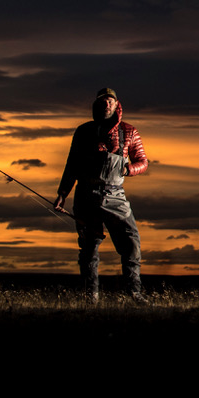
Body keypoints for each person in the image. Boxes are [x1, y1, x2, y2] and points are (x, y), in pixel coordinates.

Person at [55, 87, 149, 302]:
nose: (106, 104)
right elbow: (72, 165)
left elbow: (143, 162)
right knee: (88, 248)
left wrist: (128, 169)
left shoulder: (130, 131)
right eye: (102, 101)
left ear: (117, 105)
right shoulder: (83, 131)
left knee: (131, 243)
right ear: (96, 105)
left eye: (110, 101)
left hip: (116, 196)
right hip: (85, 196)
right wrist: (62, 193)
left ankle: (134, 294)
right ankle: (91, 298)